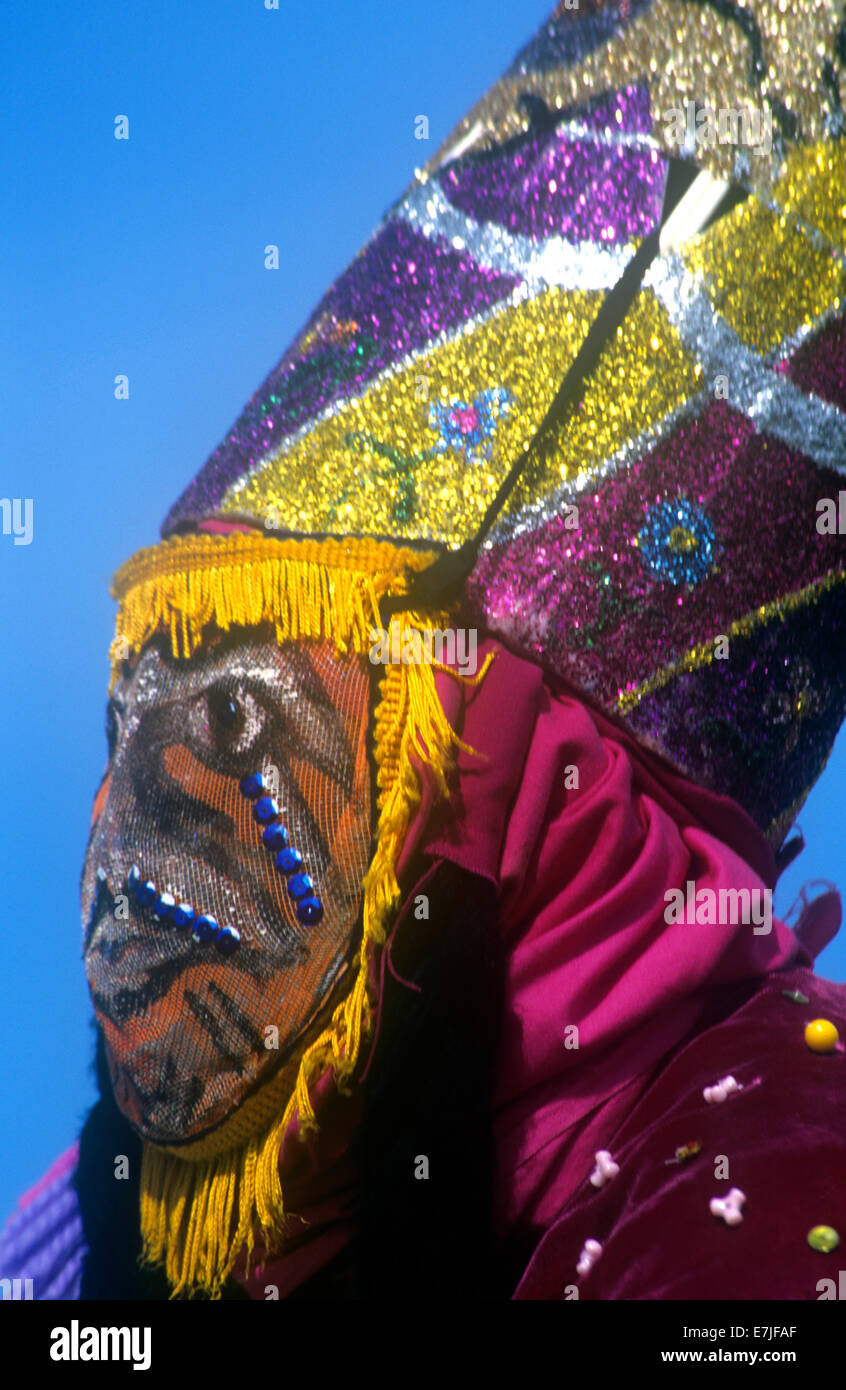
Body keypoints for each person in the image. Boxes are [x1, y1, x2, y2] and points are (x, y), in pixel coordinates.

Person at [3, 0, 846, 1301]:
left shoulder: (778, 1182)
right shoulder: (112, 1221)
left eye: (248, 697)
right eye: (148, 678)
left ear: (522, 803)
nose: (135, 804)